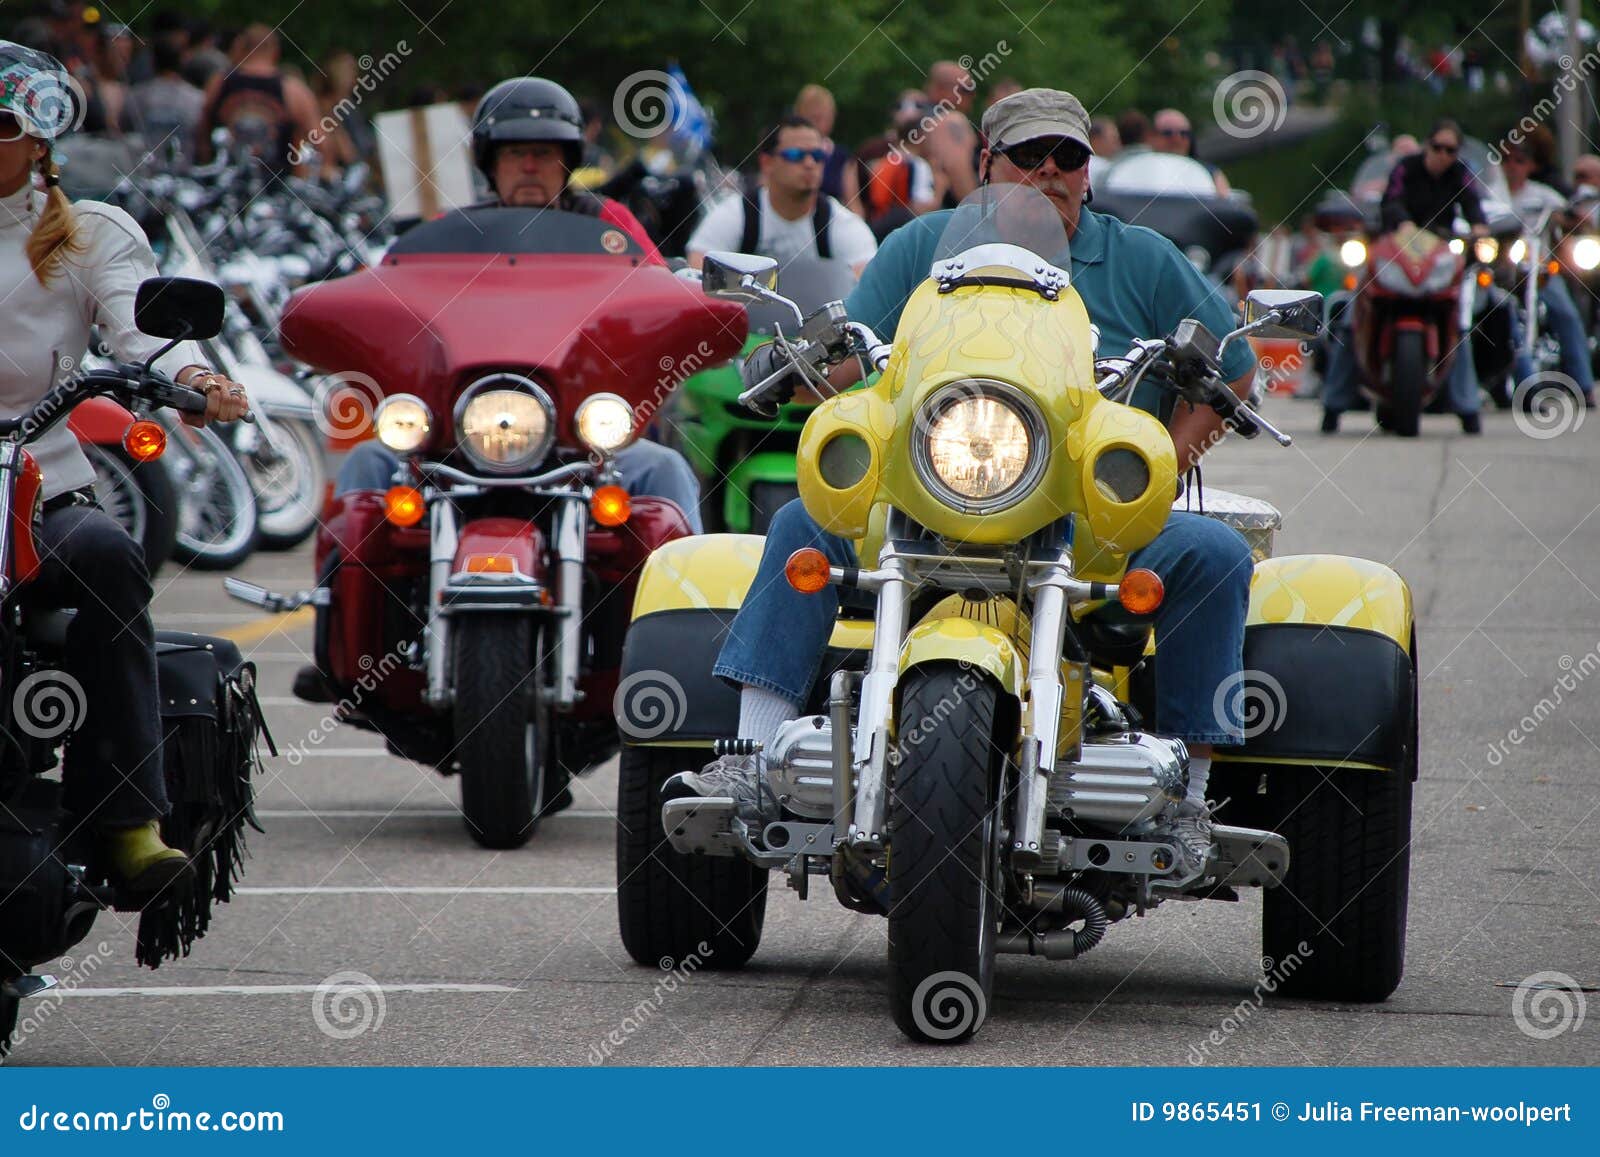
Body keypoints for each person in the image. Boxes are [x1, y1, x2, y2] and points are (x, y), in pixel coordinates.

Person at [667, 87, 1259, 877]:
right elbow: (850, 354)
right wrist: (794, 359)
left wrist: (1157, 465)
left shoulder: (1139, 260)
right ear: (987, 163)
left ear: (1088, 172)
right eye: (1027, 156)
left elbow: (1238, 371)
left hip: (1092, 523)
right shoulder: (922, 249)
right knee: (803, 521)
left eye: (1068, 157)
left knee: (1216, 554)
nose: (1049, 171)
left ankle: (1191, 794)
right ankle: (748, 755)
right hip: (926, 501)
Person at [0, 41, 250, 903]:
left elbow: (144, 331)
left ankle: (126, 821)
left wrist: (195, 380)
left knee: (108, 553)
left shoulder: (91, 233)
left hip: (44, 492)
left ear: (39, 142)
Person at [1323, 118, 1485, 433]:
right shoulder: (1405, 168)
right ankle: (1333, 403)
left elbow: (1473, 205)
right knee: (1350, 318)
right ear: (1428, 145)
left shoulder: (1460, 174)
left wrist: (1479, 228)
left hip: (1436, 257)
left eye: (1450, 150)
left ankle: (1468, 407)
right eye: (1437, 147)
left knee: (1460, 324)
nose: (1443, 155)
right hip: (1393, 253)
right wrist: (1403, 223)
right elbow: (1392, 200)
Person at [686, 115, 877, 277]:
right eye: (796, 155)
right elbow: (698, 274)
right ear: (767, 163)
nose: (810, 163)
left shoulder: (843, 225)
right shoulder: (735, 215)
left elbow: (866, 284)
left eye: (818, 156)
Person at [1500, 140, 1596, 407]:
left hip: (1535, 270)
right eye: (1506, 160)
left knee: (1566, 312)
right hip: (1499, 273)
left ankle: (1584, 385)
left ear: (1530, 165)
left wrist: (1564, 218)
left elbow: (1578, 217)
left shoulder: (1543, 195)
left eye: (1519, 160)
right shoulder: (1490, 194)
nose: (1512, 166)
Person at [195, 24, 319, 177]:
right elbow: (318, 141)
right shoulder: (293, 90)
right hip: (275, 190)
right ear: (275, 51)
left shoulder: (219, 83)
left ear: (240, 46)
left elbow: (200, 132)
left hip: (223, 186)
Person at [125, 33, 204, 159]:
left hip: (144, 171)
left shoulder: (135, 96)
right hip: (184, 171)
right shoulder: (197, 98)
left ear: (153, 61)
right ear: (181, 60)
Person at [921, 60, 980, 206]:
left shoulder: (915, 119)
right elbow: (957, 168)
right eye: (966, 89)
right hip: (948, 215)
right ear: (939, 89)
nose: (973, 95)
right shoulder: (950, 120)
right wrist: (978, 212)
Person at [793, 83, 858, 207]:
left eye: (826, 117)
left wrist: (860, 225)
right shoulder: (787, 153)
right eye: (815, 118)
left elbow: (853, 202)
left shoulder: (844, 158)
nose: (821, 124)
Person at [1151, 107, 1231, 195]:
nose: (1177, 139)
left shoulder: (1212, 174)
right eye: (1168, 133)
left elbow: (1223, 202)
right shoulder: (1140, 169)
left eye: (1184, 133)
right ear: (1153, 137)